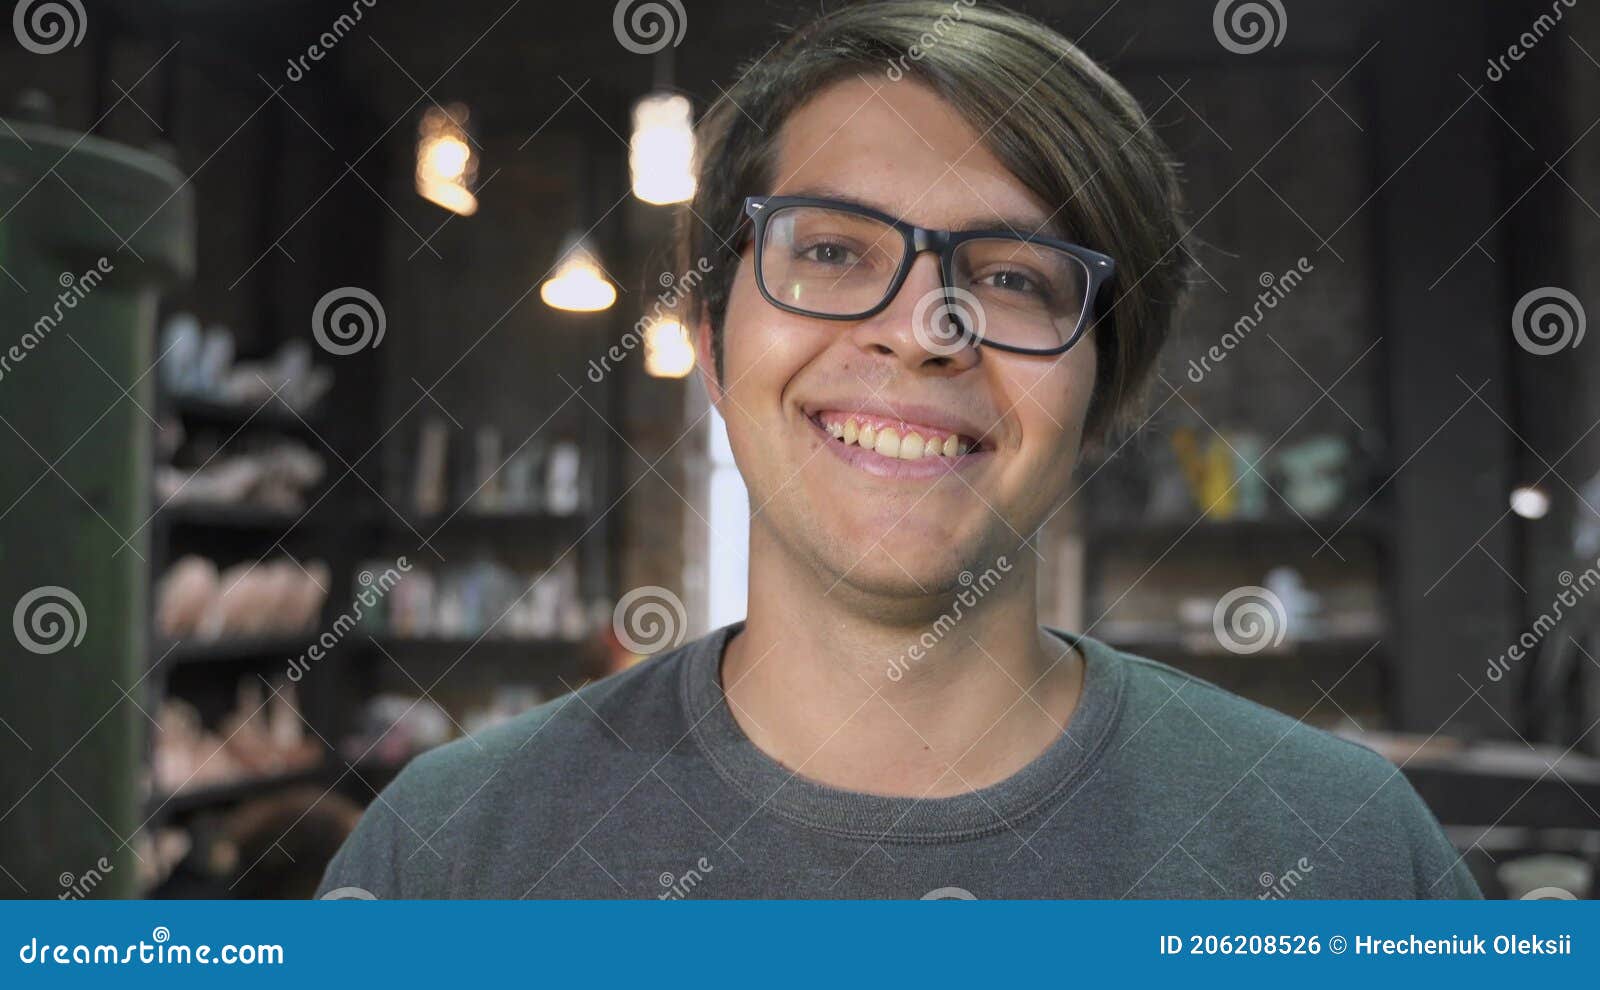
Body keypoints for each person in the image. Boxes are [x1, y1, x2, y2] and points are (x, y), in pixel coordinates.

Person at [320, 0, 1480, 899]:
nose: (925, 330)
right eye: (829, 251)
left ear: (1102, 387)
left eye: (1015, 277)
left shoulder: (1347, 855)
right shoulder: (448, 858)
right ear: (717, 344)